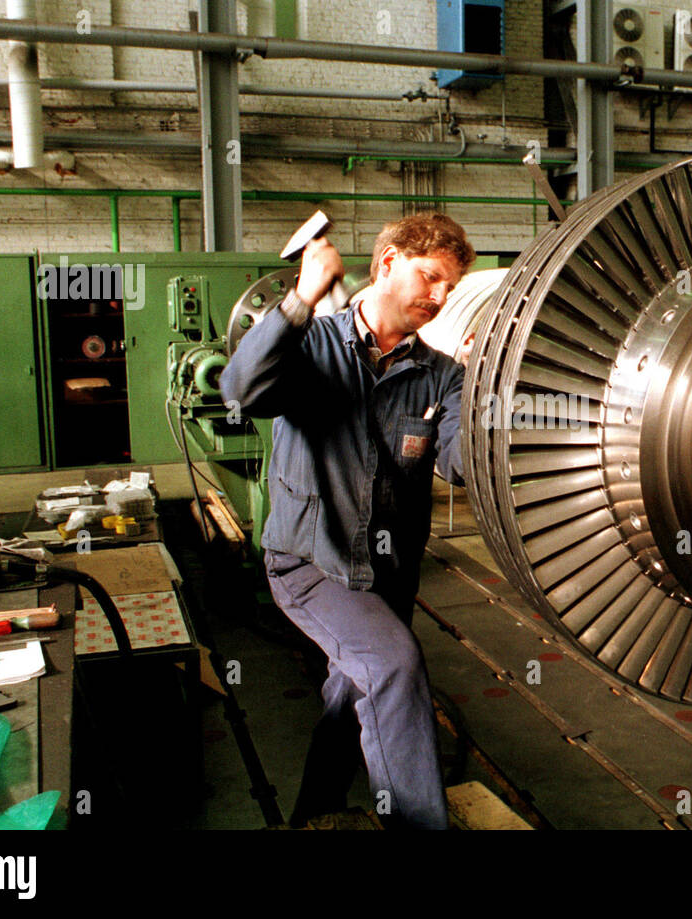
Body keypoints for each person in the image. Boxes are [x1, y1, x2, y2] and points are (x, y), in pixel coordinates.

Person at [220, 212, 476, 829]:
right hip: (312, 565)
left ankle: (316, 812)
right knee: (393, 667)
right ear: (387, 264)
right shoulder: (308, 345)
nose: (440, 297)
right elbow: (240, 391)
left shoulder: (444, 375)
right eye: (430, 277)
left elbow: (464, 464)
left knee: (354, 689)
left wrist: (494, 388)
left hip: (388, 575)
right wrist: (301, 298)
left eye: (450, 286)